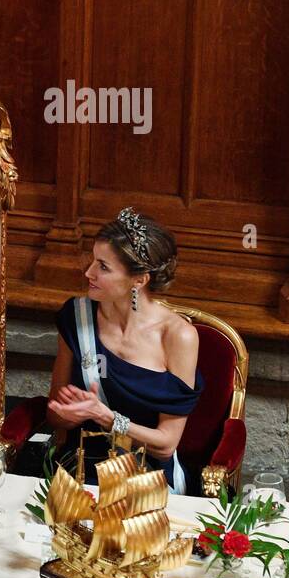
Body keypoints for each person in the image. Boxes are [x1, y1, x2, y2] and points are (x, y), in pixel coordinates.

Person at [46, 207, 201, 492]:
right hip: (81, 471)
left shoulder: (178, 336)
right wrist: (68, 413)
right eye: (92, 260)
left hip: (146, 479)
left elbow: (166, 445)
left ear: (139, 280)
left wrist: (104, 416)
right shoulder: (76, 317)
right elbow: (54, 416)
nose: (88, 272)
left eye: (103, 267)